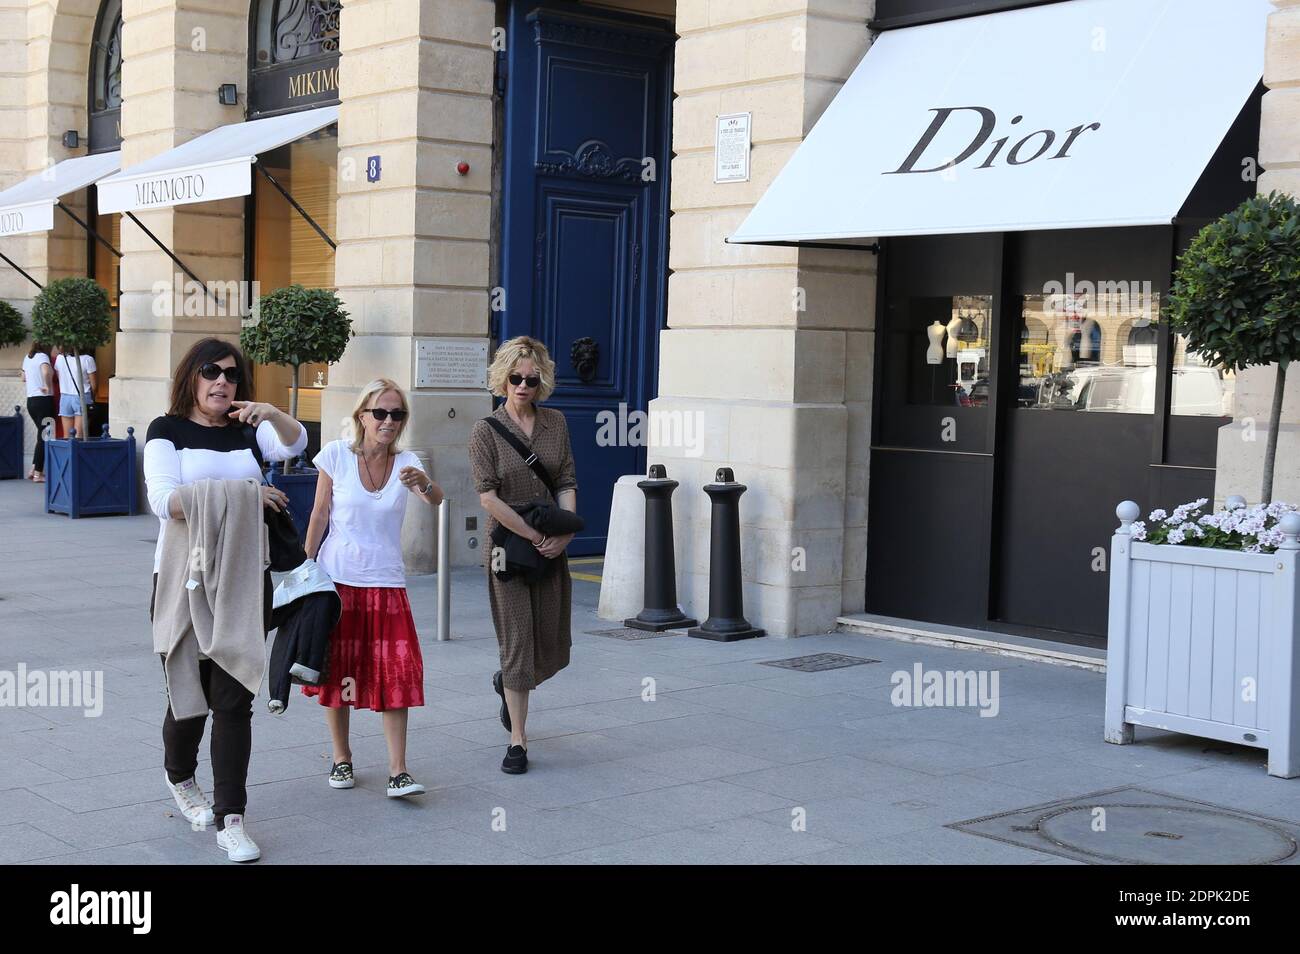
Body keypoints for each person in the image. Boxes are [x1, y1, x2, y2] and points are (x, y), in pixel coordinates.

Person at [143, 337, 307, 863]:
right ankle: (179, 775)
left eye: (232, 375)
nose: (222, 382)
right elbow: (165, 502)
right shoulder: (165, 432)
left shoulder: (247, 432)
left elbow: (296, 443)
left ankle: (230, 818)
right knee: (188, 695)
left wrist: (273, 412)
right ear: (191, 376)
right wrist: (246, 494)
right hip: (183, 580)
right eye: (211, 371)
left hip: (243, 580)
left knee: (234, 701)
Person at [303, 379, 442, 797]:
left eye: (396, 414)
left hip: (387, 582)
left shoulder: (408, 461)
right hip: (339, 581)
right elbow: (319, 513)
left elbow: (435, 499)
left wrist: (425, 482)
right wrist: (305, 569)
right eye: (380, 412)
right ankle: (341, 758)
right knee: (338, 674)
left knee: (397, 673)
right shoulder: (335, 455)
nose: (388, 421)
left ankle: (398, 770)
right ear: (362, 415)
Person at [468, 336, 578, 775]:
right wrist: (533, 534)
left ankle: (508, 683)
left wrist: (565, 535)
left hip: (551, 544)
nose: (523, 386)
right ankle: (518, 740)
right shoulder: (486, 431)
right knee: (517, 641)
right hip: (507, 552)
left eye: (532, 379)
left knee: (547, 641)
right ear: (502, 378)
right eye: (515, 378)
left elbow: (567, 479)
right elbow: (488, 499)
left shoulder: (556, 423)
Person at [21, 343, 54, 482]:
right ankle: (38, 473)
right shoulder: (43, 356)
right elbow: (46, 372)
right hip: (44, 400)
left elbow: (23, 377)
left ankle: (34, 468)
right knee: (45, 436)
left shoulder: (27, 358)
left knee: (41, 436)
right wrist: (47, 385)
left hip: (31, 401)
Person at [53, 345, 96, 439]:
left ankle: (67, 454)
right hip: (82, 395)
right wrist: (93, 397)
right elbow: (94, 384)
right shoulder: (88, 359)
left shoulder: (60, 358)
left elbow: (59, 376)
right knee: (79, 436)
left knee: (67, 436)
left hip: (65, 396)